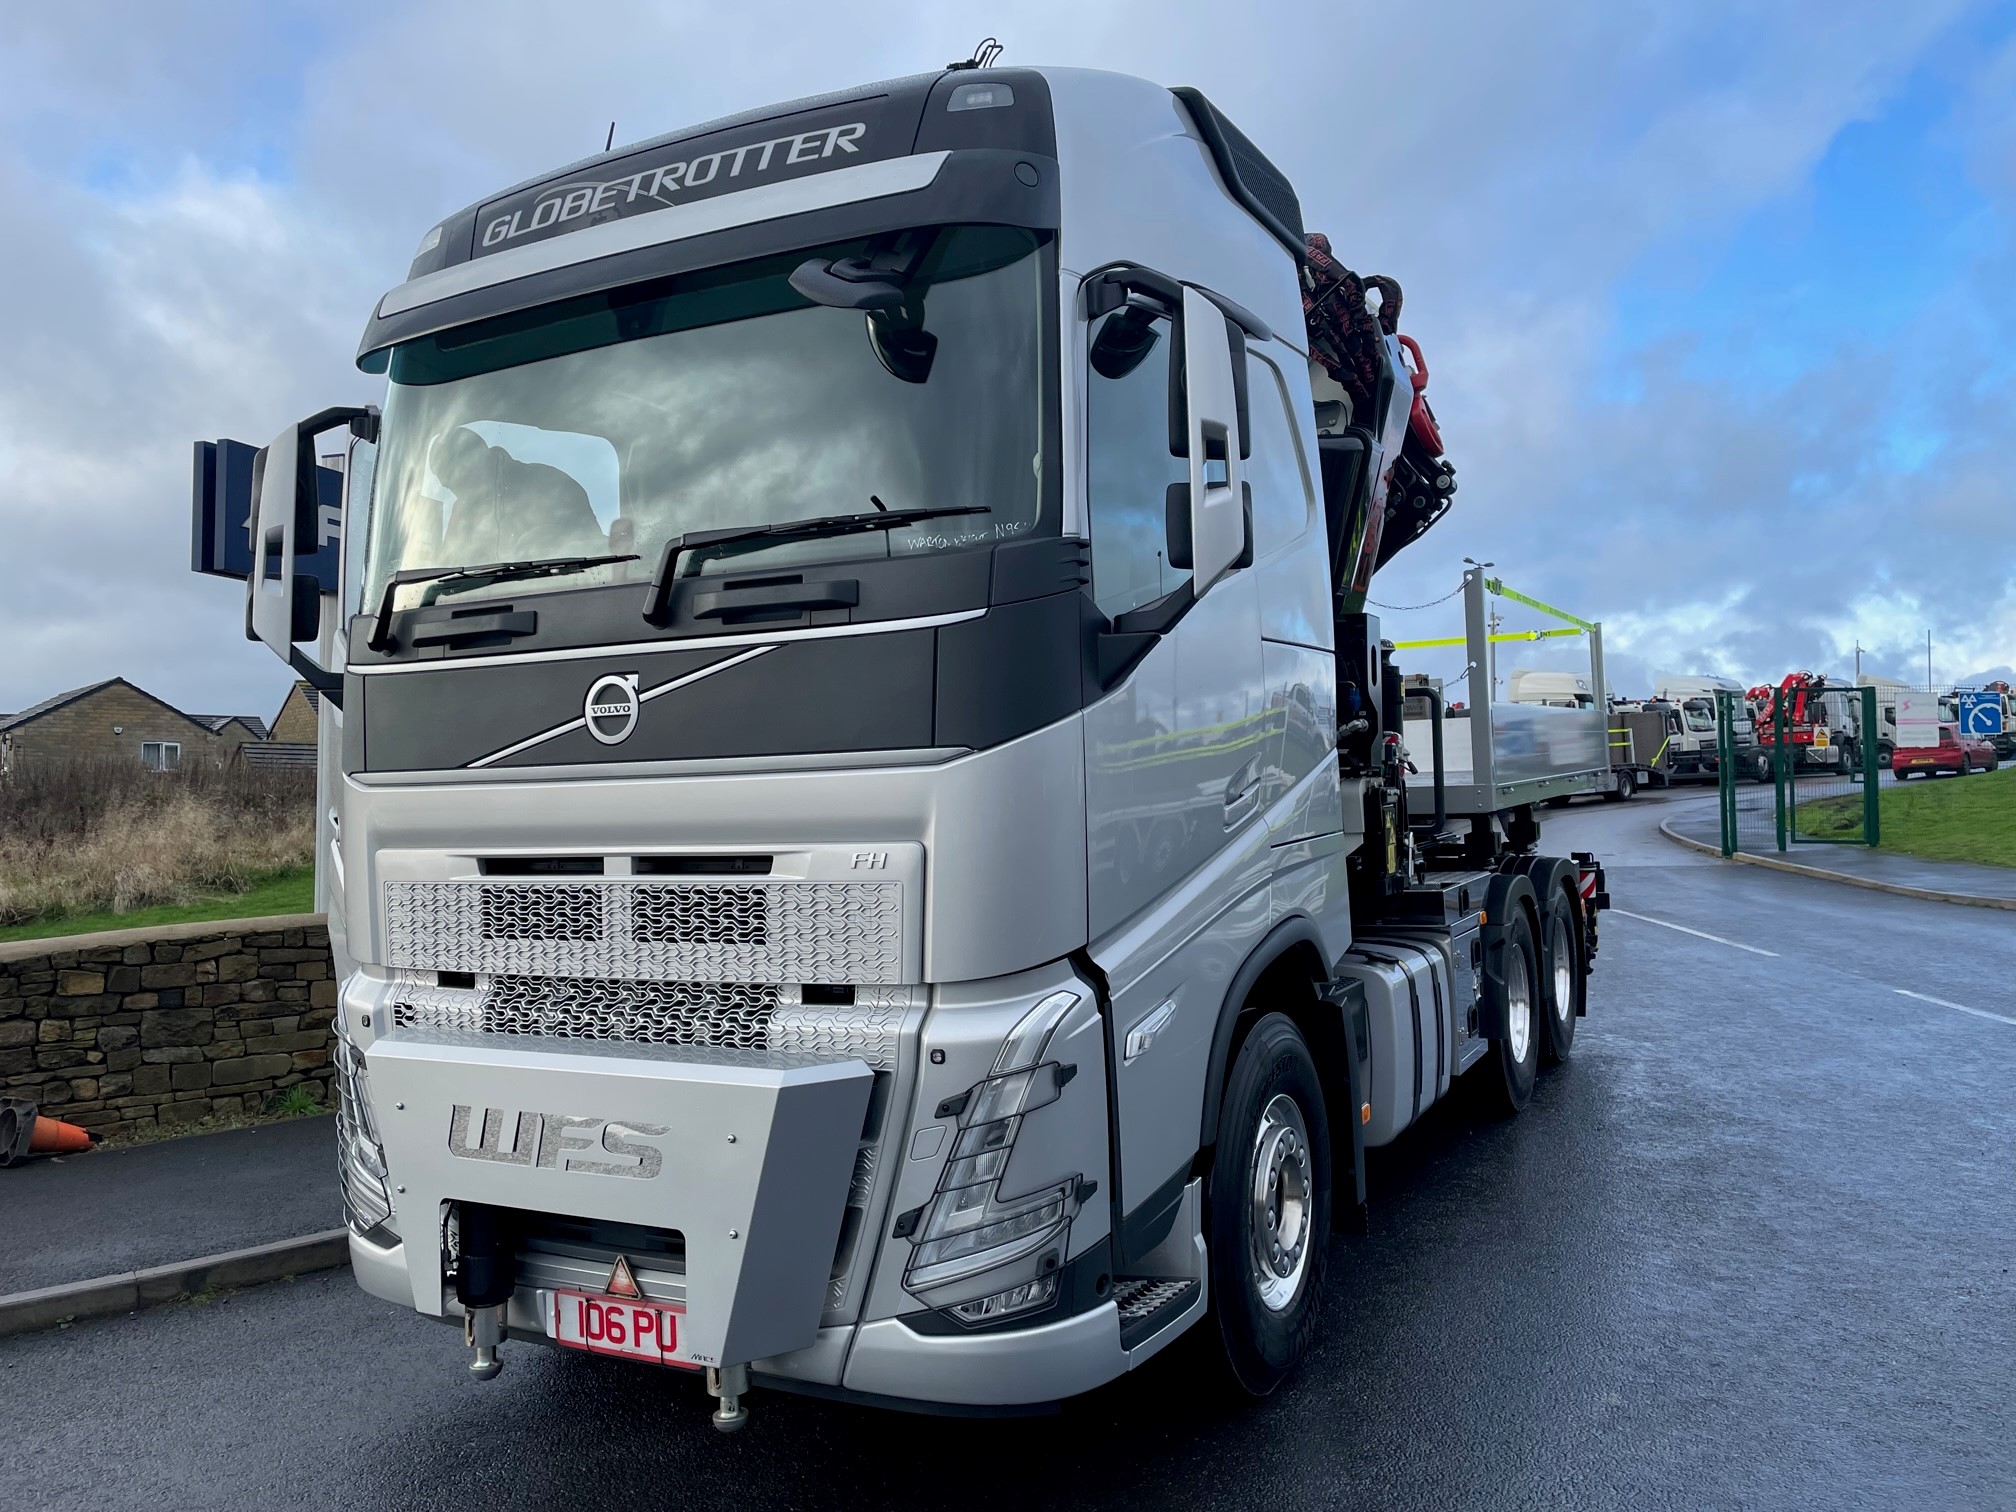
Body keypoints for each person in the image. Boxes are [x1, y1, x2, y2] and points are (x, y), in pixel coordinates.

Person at [430, 426, 604, 562]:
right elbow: (449, 574)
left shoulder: (554, 485)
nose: (455, 492)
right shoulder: (464, 513)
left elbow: (597, 554)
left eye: (455, 482)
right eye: (448, 486)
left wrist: (550, 542)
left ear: (473, 462)